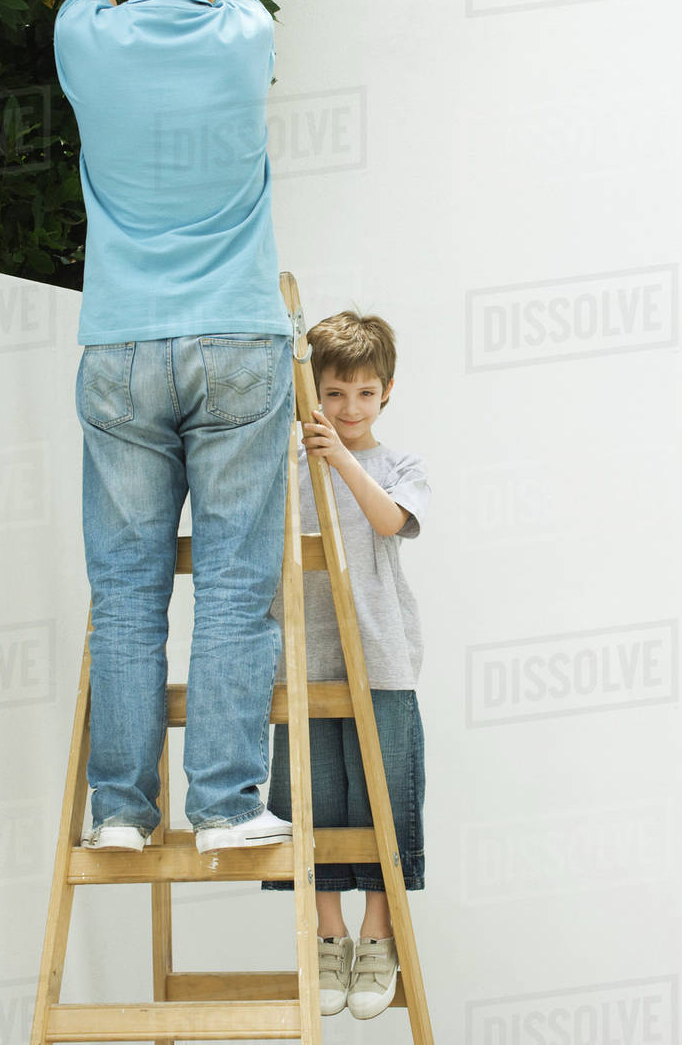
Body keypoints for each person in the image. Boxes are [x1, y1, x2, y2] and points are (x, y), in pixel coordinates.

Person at [53, 0, 295, 854]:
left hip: (120, 348)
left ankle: (119, 810)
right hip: (237, 342)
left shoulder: (86, 40)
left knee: (125, 592)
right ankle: (228, 808)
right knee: (237, 584)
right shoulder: (246, 36)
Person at [262, 310, 431, 1020]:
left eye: (364, 393)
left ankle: (377, 936)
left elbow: (390, 521)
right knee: (316, 803)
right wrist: (305, 455)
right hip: (304, 660)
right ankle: (327, 935)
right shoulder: (289, 461)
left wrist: (342, 458)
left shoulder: (397, 466)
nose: (349, 408)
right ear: (313, 394)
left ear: (386, 392)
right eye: (335, 394)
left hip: (379, 660)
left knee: (382, 804)